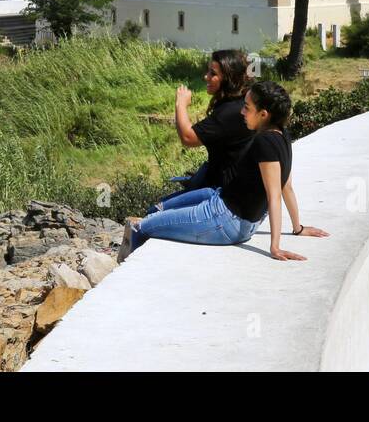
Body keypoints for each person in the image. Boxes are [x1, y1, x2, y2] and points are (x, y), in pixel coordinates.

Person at [119, 81, 328, 262]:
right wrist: (297, 228)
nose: (242, 112)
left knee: (143, 226)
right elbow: (287, 186)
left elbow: (275, 195)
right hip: (221, 199)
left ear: (263, 114)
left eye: (247, 108)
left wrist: (275, 247)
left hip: (224, 220)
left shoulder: (265, 143)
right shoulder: (282, 133)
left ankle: (125, 282)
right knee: (155, 210)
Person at [147, 49, 253, 213]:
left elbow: (188, 138)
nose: (206, 77)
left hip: (221, 195)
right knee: (159, 207)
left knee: (153, 212)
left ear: (228, 77)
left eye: (213, 73)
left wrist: (180, 104)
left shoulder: (229, 113)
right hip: (227, 186)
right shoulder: (239, 103)